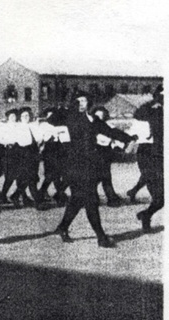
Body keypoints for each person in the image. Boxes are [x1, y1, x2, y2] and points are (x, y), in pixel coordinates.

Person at [50, 91, 136, 247]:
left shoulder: (93, 119)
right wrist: (68, 107)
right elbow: (52, 119)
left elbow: (110, 131)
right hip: (74, 165)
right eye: (79, 101)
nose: (82, 103)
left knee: (77, 199)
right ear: (73, 103)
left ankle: (63, 227)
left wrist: (128, 138)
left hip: (90, 165)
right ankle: (101, 237)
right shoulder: (69, 116)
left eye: (84, 101)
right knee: (91, 199)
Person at [133, 85, 163, 231]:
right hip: (157, 156)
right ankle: (146, 214)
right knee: (160, 199)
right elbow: (138, 114)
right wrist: (153, 101)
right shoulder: (155, 111)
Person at [90, 106, 125, 207]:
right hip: (95, 152)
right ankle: (108, 197)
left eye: (102, 116)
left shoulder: (107, 126)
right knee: (100, 176)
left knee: (105, 176)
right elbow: (102, 139)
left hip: (106, 153)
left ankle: (110, 197)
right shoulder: (93, 126)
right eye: (98, 116)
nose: (100, 118)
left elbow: (115, 135)